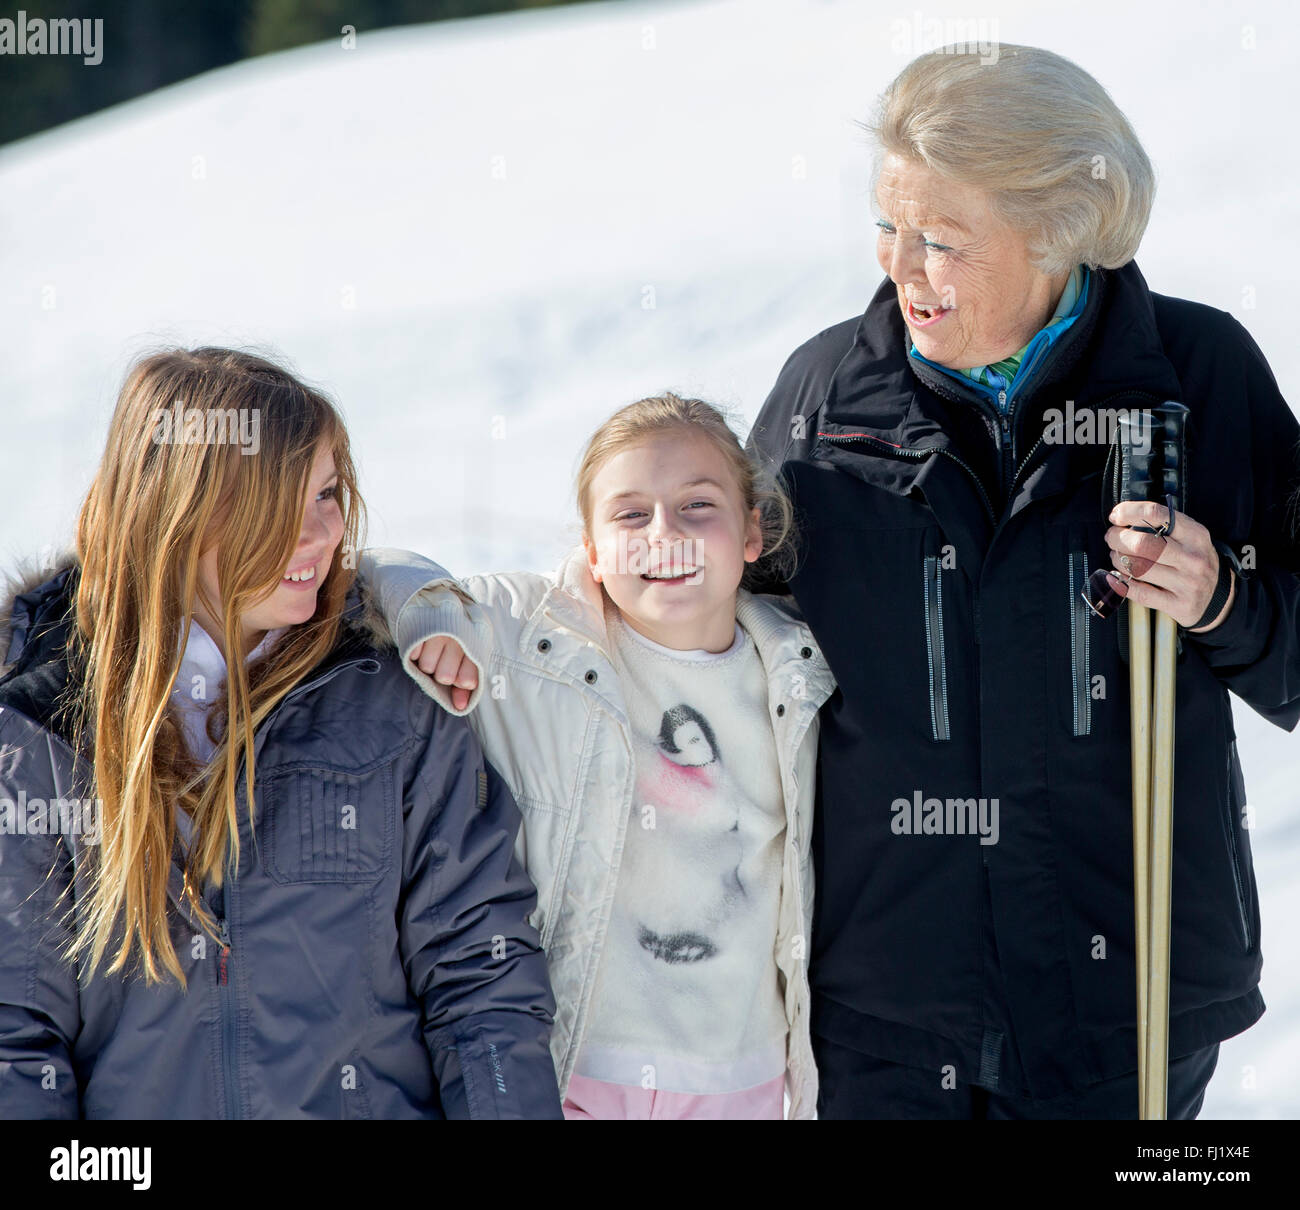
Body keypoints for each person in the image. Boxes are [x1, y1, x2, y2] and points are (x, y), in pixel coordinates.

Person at [744, 43, 1300, 1119]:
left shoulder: (1197, 376)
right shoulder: (823, 392)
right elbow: (718, 642)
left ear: (1054, 232)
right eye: (886, 225)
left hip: (1125, 1002)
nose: (900, 269)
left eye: (941, 241)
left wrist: (1222, 601)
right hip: (889, 1013)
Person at [0, 347, 563, 1119]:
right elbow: (15, 1035)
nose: (322, 532)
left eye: (328, 493)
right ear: (174, 513)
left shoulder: (396, 698)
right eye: (275, 508)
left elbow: (480, 979)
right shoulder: (37, 729)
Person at [360, 392, 835, 1119]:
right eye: (631, 514)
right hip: (579, 1069)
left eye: (697, 506)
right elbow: (370, 571)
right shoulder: (532, 638)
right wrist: (430, 616)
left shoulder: (799, 674)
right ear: (591, 549)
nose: (664, 533)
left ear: (751, 532)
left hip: (741, 1078)